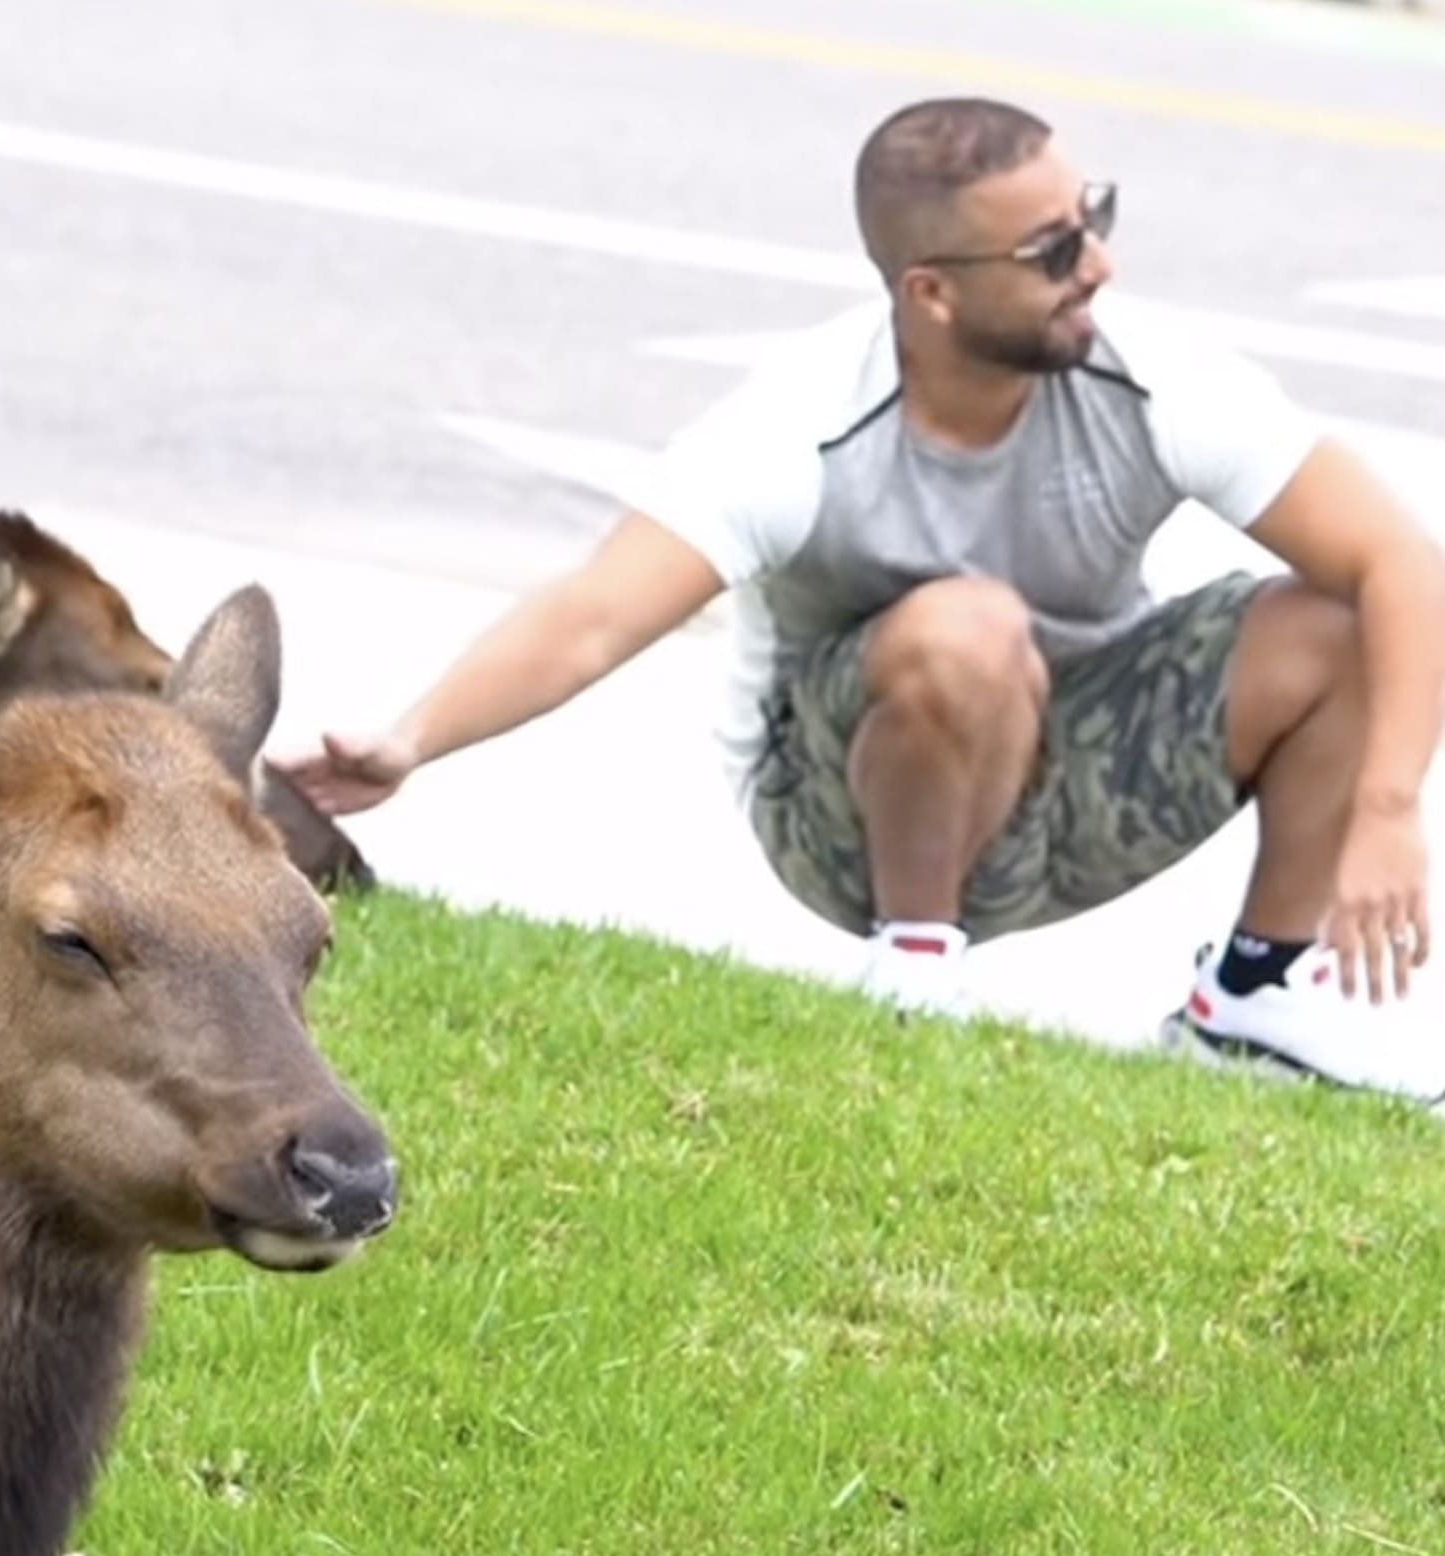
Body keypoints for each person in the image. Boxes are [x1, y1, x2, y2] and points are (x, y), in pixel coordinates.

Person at [278, 96, 1445, 1089]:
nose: (1096, 264)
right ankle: (914, 962)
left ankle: (1251, 999)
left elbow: (1403, 562)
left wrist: (1386, 808)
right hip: (844, 807)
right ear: (930, 293)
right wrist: (410, 739)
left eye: (1092, 217)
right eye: (1049, 249)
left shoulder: (1145, 375)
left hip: (1075, 760)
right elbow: (591, 616)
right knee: (966, 622)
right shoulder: (805, 424)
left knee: (1341, 621)